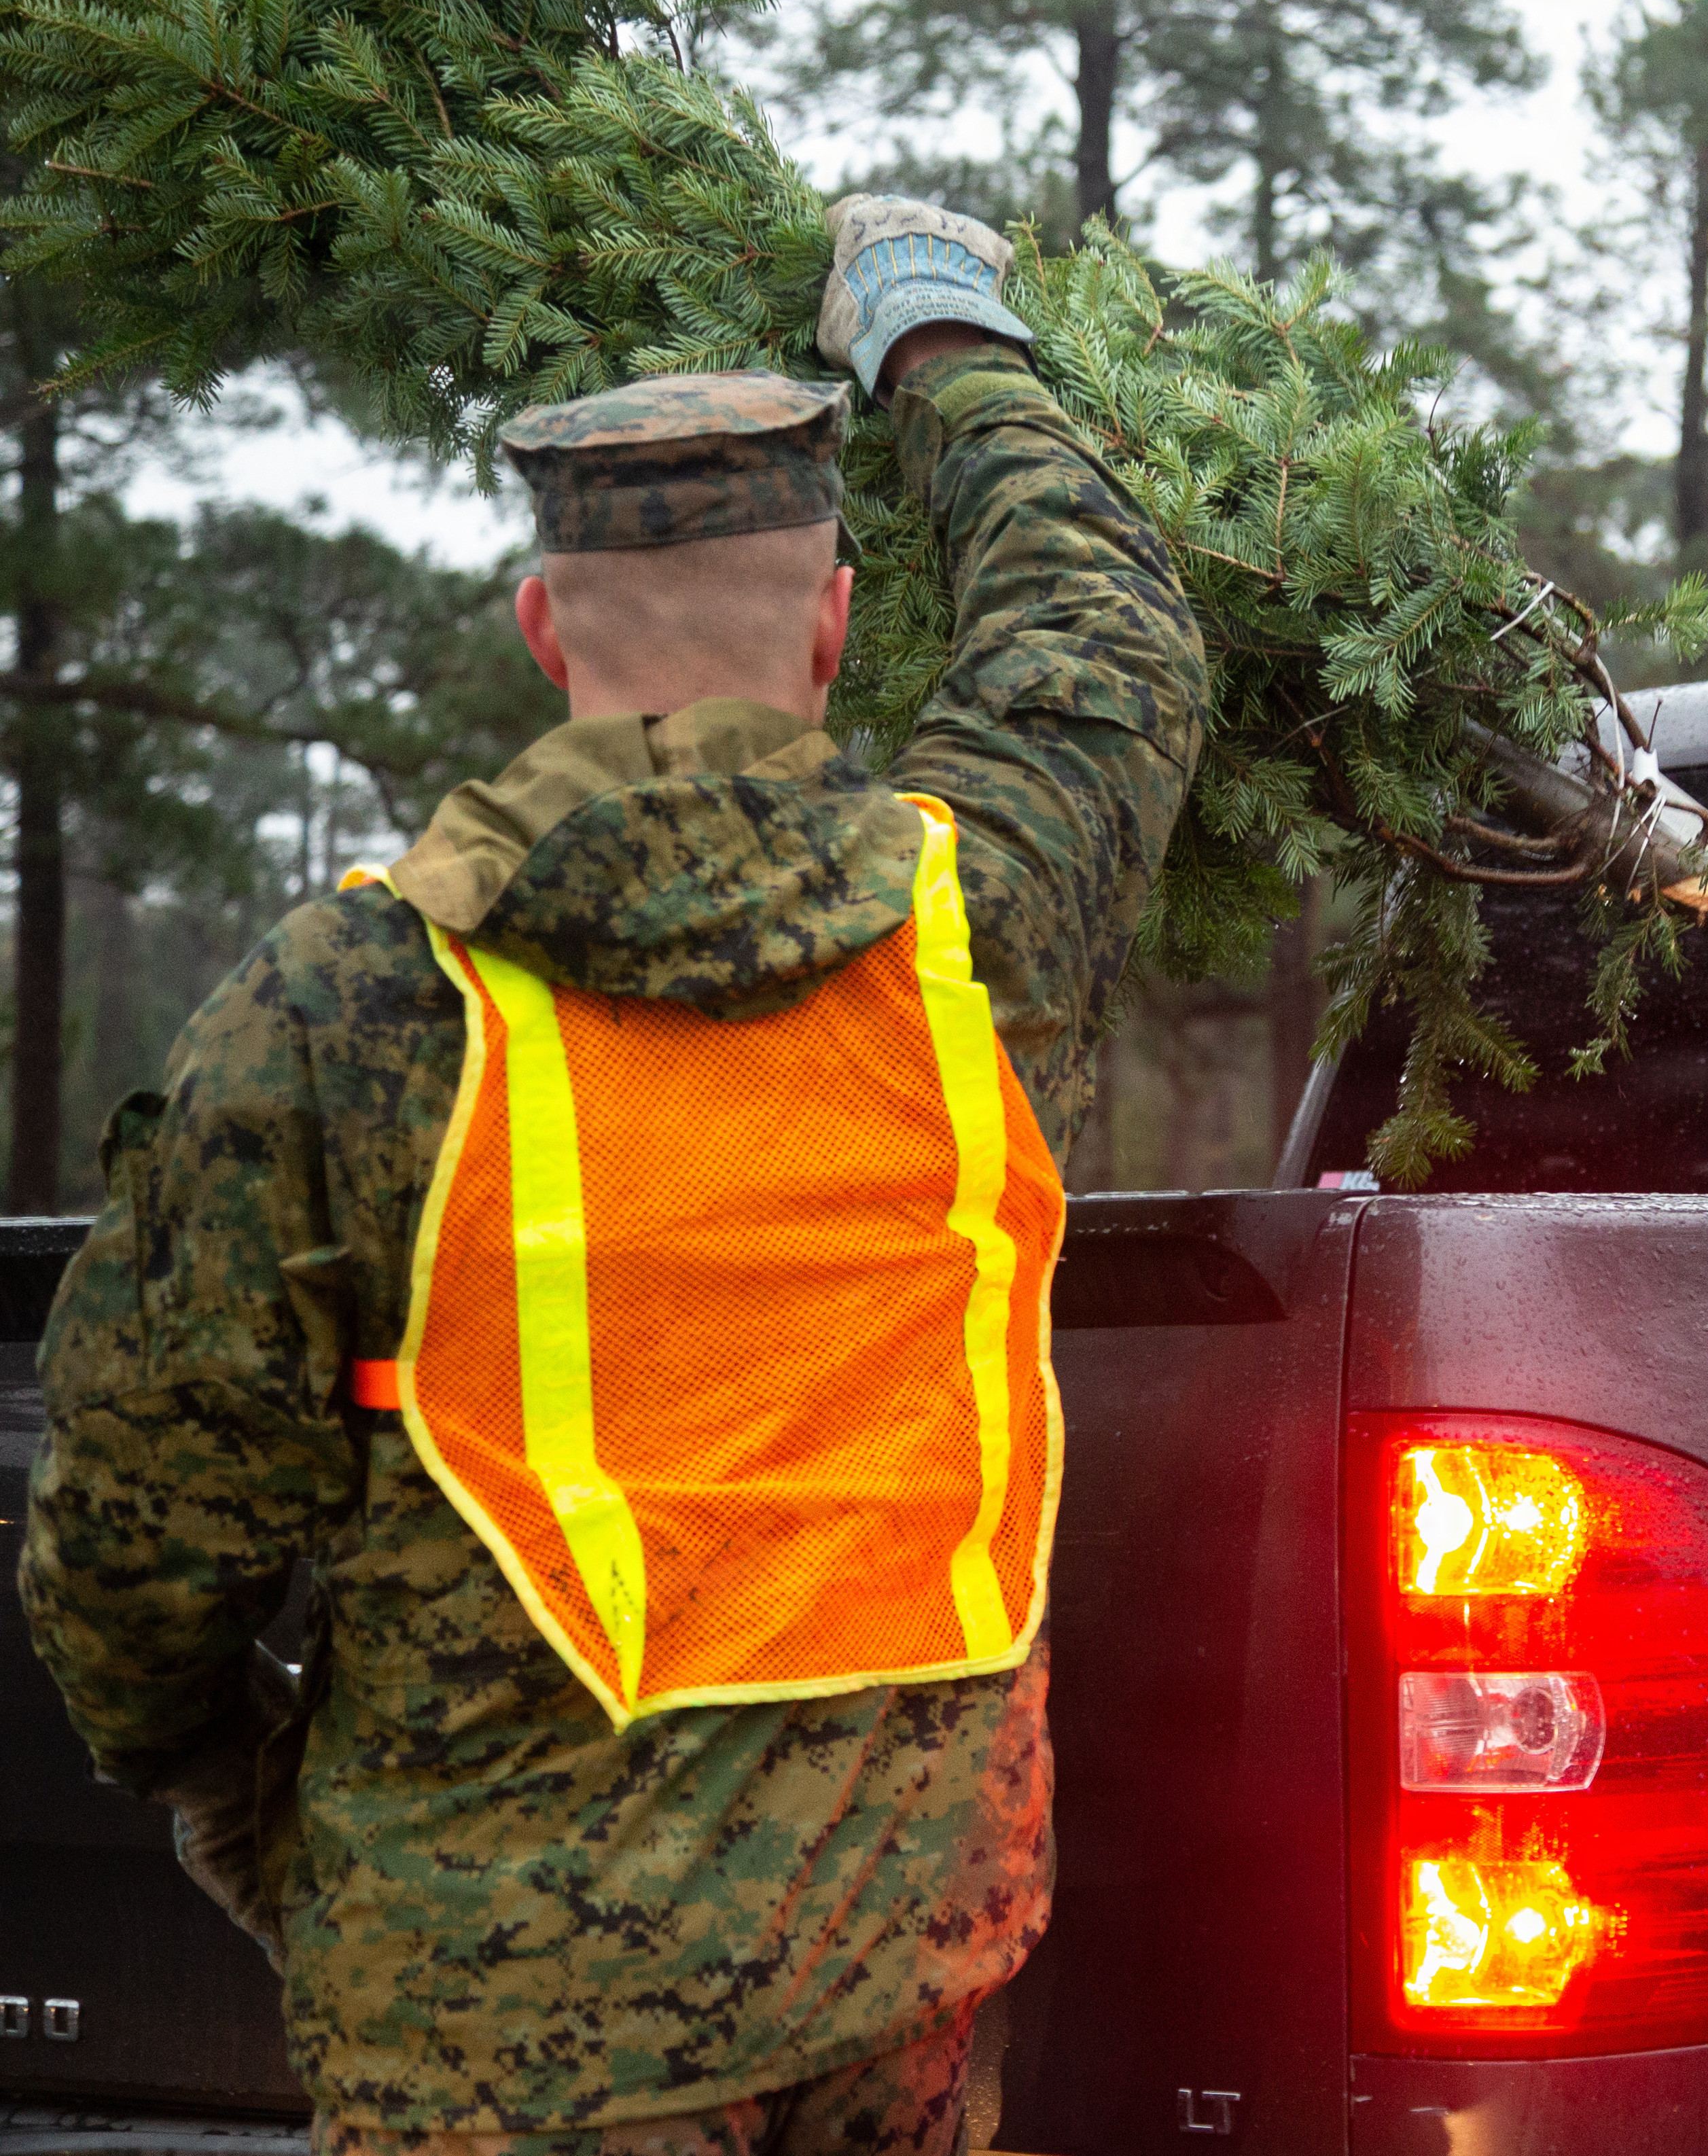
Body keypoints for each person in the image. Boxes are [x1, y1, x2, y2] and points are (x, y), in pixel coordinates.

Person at [16, 196, 1203, 2156]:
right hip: (902, 1970)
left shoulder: (347, 1007)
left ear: (544, 626)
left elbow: (135, 1537)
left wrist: (238, 1793)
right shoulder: (972, 915)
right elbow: (1101, 624)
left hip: (497, 2021)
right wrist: (934, 325)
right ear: (833, 624)